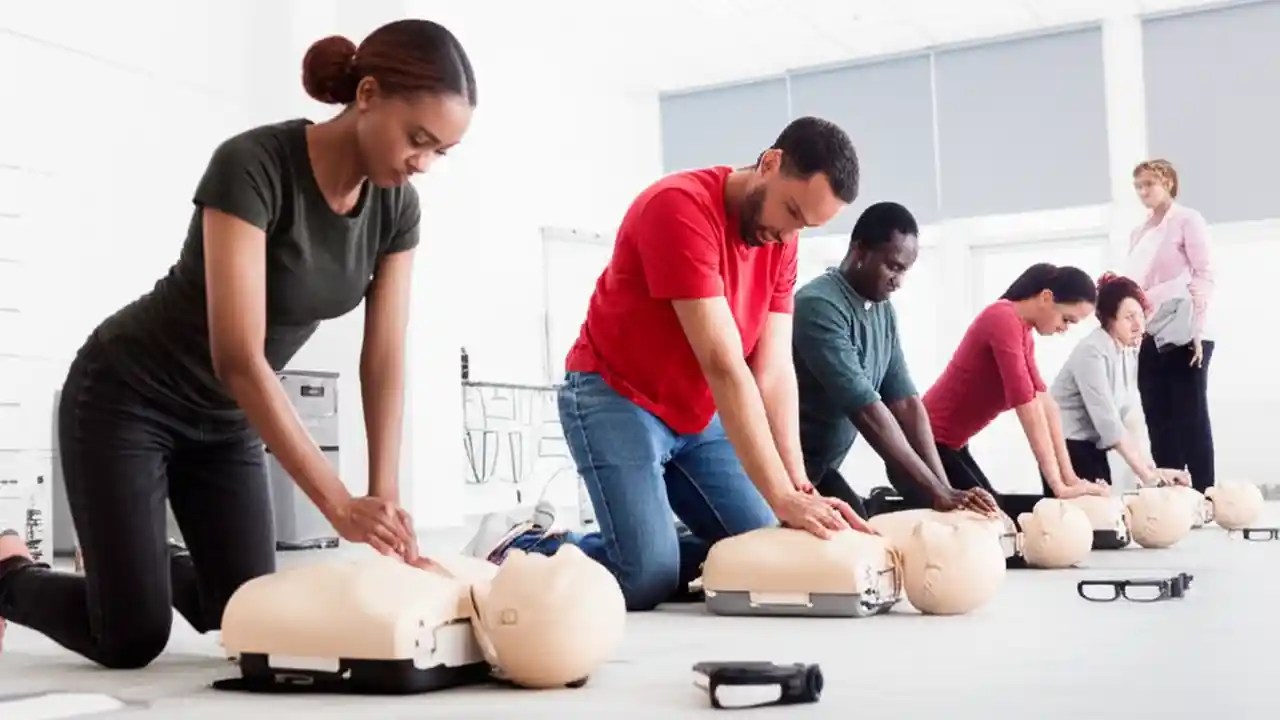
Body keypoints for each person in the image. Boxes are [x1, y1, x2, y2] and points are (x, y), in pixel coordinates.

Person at [0, 20, 475, 666]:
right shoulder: (252, 166)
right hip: (126, 398)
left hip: (224, 426)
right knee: (131, 638)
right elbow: (239, 356)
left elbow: (384, 356)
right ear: (367, 95)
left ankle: (126, 557)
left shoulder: (397, 209)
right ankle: (8, 571)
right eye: (417, 139)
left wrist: (382, 492)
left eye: (440, 151)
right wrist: (338, 504)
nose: (423, 162)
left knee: (252, 620)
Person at [465, 117, 870, 611]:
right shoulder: (679, 207)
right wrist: (781, 495)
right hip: (616, 395)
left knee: (766, 547)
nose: (787, 232)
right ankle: (521, 546)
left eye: (803, 224)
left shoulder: (782, 240)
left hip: (696, 414)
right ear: (769, 163)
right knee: (645, 577)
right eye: (790, 210)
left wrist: (797, 484)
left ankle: (649, 535)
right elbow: (725, 365)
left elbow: (774, 370)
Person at [791, 202, 999, 518]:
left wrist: (945, 489)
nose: (898, 281)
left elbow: (907, 404)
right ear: (860, 251)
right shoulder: (818, 305)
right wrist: (936, 492)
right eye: (893, 267)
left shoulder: (883, 312)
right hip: (783, 467)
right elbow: (867, 410)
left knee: (864, 531)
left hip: (820, 469)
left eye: (904, 271)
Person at [920, 263, 1111, 522]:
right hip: (923, 447)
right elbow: (1026, 406)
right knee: (992, 522)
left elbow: (1045, 404)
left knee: (996, 513)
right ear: (1046, 297)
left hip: (951, 447)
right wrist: (1057, 485)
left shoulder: (1023, 332)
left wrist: (1071, 479)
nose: (1064, 329)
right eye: (1066, 319)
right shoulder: (1002, 319)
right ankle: (884, 505)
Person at [1051, 273, 1191, 490]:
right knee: (1090, 515)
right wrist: (1147, 476)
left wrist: (1153, 470)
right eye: (1128, 317)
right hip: (1065, 444)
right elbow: (1108, 422)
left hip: (1091, 444)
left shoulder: (1128, 350)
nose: (1138, 325)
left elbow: (1129, 418)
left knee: (1104, 511)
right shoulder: (1092, 351)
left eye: (1140, 316)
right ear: (1109, 320)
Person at [1126, 159, 1217, 493]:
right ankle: (1172, 489)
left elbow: (1204, 273)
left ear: (1168, 183)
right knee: (1156, 411)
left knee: (1189, 413)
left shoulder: (1187, 221)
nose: (1143, 191)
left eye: (1149, 183)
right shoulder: (1139, 232)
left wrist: (1197, 329)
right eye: (1138, 186)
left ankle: (1204, 491)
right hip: (1148, 329)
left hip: (1184, 326)